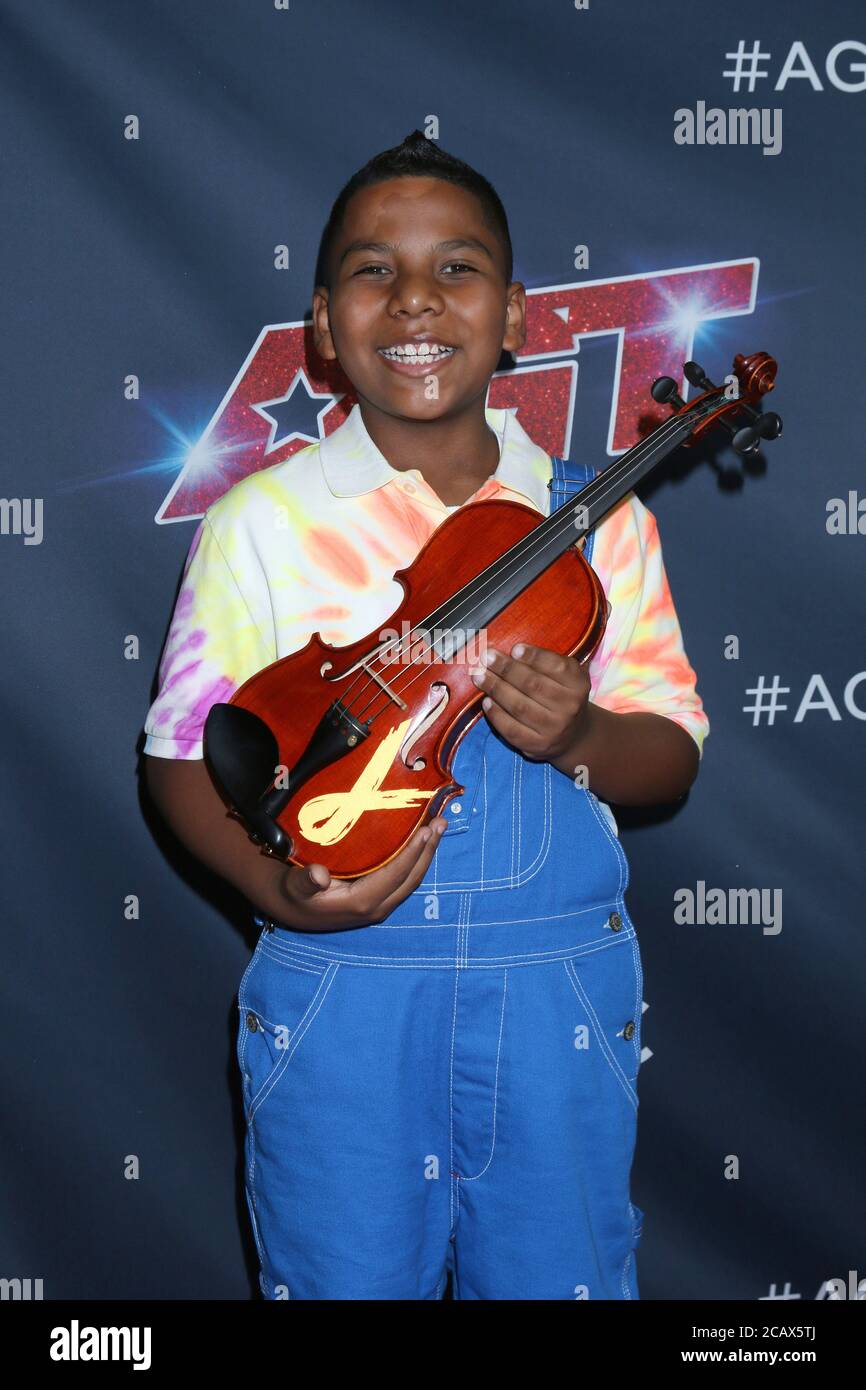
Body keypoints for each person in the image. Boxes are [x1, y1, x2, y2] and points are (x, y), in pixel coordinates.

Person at [143, 129, 709, 1301]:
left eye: (456, 268)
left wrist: (582, 738)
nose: (413, 298)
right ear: (318, 321)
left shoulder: (596, 523)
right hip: (342, 987)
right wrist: (274, 890)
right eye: (370, 269)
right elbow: (182, 757)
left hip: (552, 985)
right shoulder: (262, 519)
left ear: (512, 316)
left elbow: (666, 753)